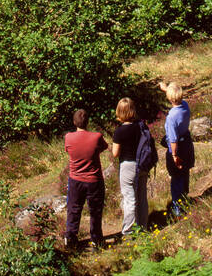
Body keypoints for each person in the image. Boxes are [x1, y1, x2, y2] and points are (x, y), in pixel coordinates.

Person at [64, 108, 108, 252]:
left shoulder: (68, 137)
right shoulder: (96, 137)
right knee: (95, 210)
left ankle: (70, 239)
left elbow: (68, 150)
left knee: (74, 209)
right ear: (87, 122)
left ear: (74, 121)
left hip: (75, 179)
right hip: (94, 179)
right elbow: (104, 147)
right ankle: (96, 239)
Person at [111, 97, 149, 238]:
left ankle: (128, 230)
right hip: (143, 164)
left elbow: (115, 153)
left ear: (119, 112)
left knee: (130, 199)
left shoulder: (119, 131)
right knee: (142, 197)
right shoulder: (140, 126)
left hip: (128, 165)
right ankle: (143, 227)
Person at [162, 81, 194, 219]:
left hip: (177, 148)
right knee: (185, 172)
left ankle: (177, 208)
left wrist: (174, 155)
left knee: (176, 178)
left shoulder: (171, 117)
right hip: (187, 143)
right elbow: (176, 97)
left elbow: (173, 139)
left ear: (169, 98)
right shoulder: (185, 106)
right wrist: (166, 89)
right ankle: (185, 200)